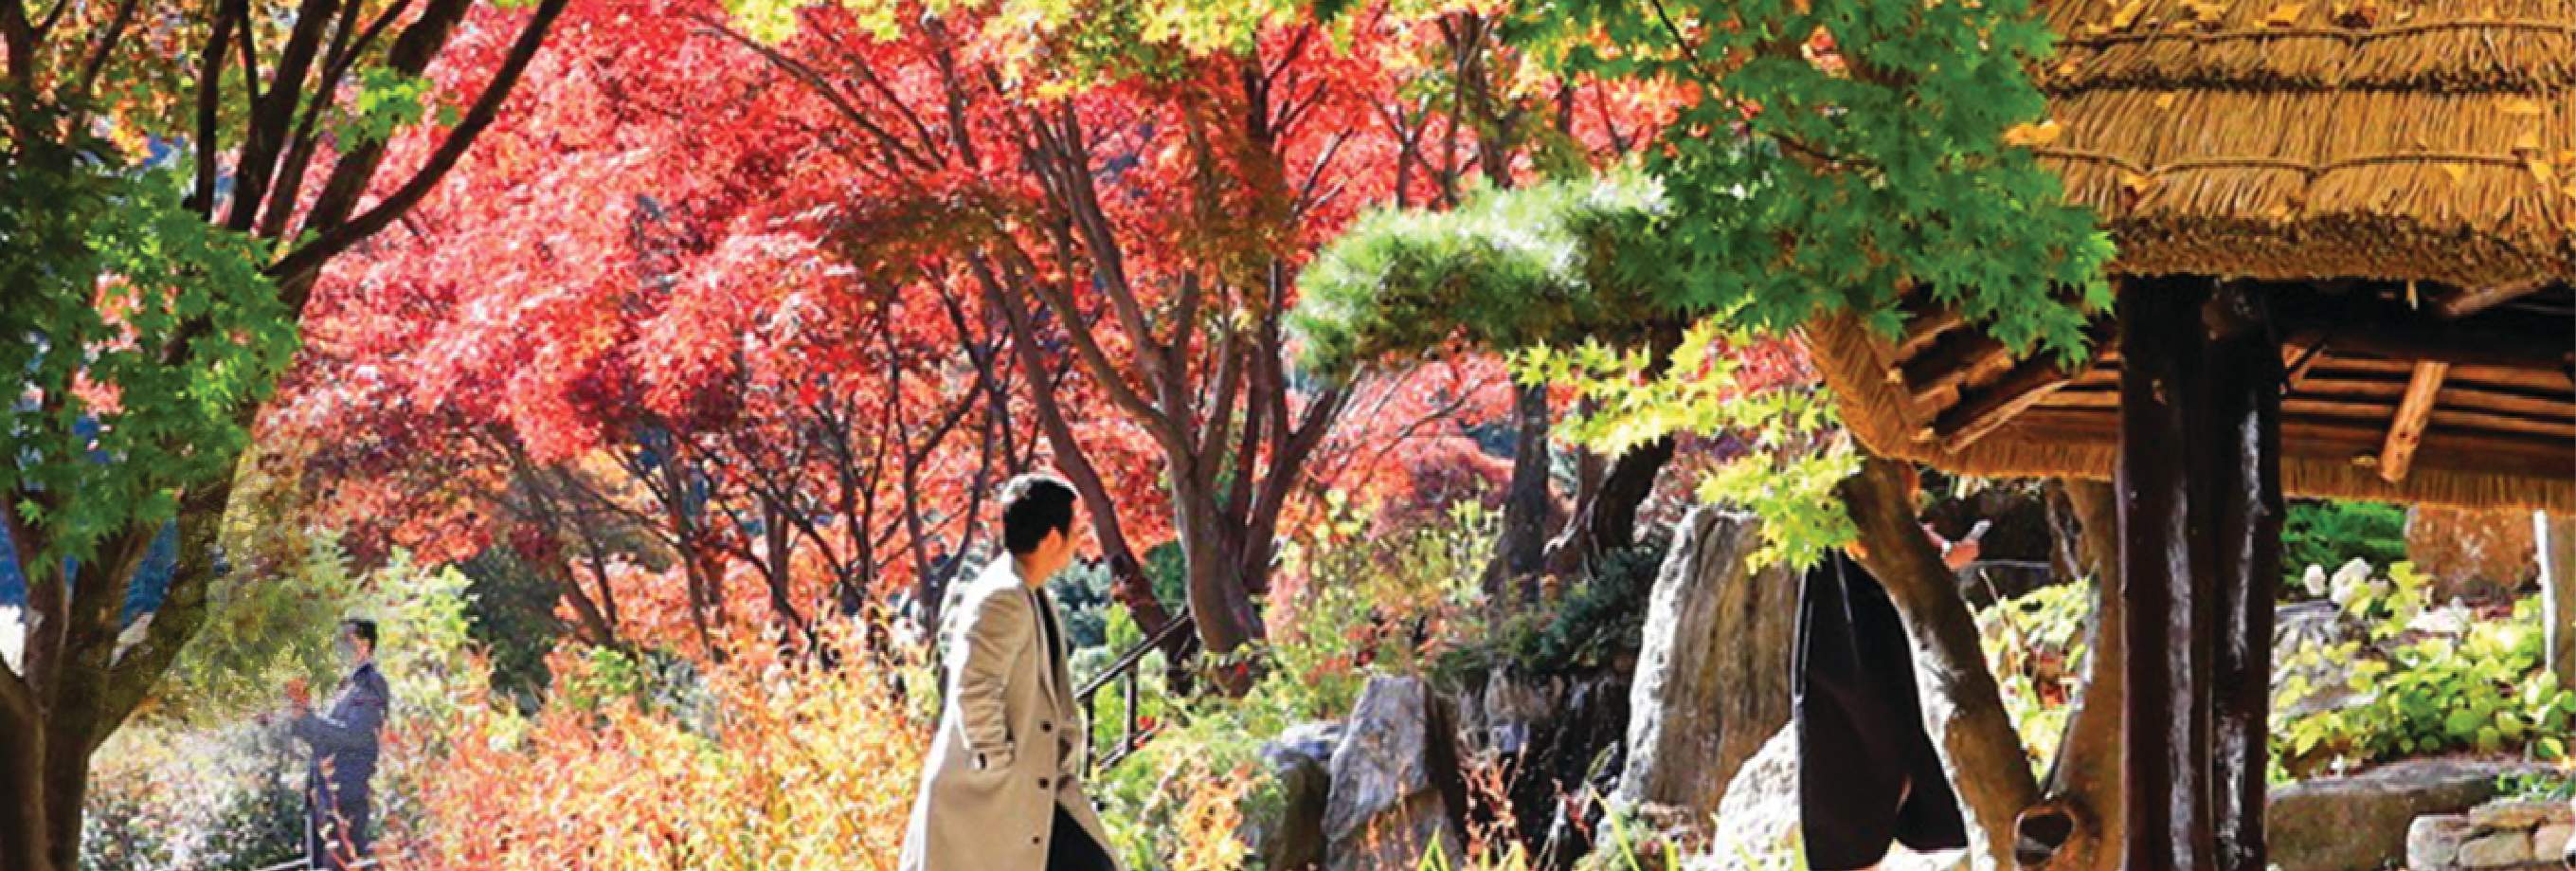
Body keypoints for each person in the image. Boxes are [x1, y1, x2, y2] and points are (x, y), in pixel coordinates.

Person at [902, 474, 1120, 871]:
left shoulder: (1029, 591)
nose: (1079, 540)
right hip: (997, 798)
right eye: (1075, 530)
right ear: (1053, 537)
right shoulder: (1003, 597)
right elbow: (975, 686)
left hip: (1037, 795)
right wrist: (997, 763)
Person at [1794, 473, 1983, 871]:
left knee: (1851, 778)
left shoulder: (1836, 517)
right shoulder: (1864, 512)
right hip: (1871, 665)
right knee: (1868, 772)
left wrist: (1921, 543)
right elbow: (1891, 578)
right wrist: (1948, 559)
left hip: (1842, 665)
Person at [286, 618, 389, 870]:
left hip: (346, 798)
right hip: (326, 797)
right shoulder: (346, 688)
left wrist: (307, 718)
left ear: (364, 646)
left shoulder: (371, 684)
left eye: (346, 642)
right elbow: (325, 736)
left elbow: (356, 735)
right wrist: (299, 714)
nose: (338, 649)